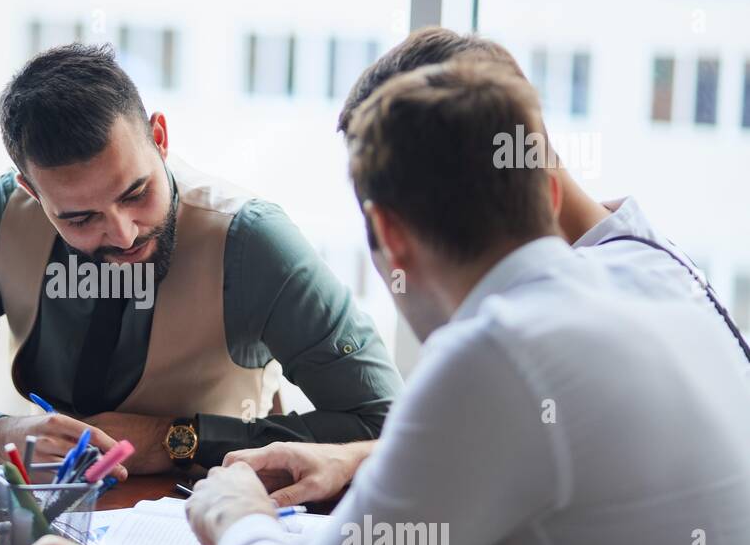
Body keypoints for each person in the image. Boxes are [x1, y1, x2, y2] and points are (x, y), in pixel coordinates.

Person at [2, 60, 750, 545]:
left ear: (388, 235)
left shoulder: (495, 360)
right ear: (547, 190)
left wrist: (234, 516)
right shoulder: (655, 283)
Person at [225, 26, 750, 507]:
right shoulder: (640, 263)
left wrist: (237, 521)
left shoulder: (578, 316)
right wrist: (352, 457)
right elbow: (507, 444)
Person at [0, 43, 401, 475]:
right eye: (78, 217)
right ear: (30, 190)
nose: (122, 233)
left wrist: (175, 440)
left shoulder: (252, 242)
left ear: (159, 138)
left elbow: (386, 424)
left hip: (219, 519)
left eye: (136, 192)